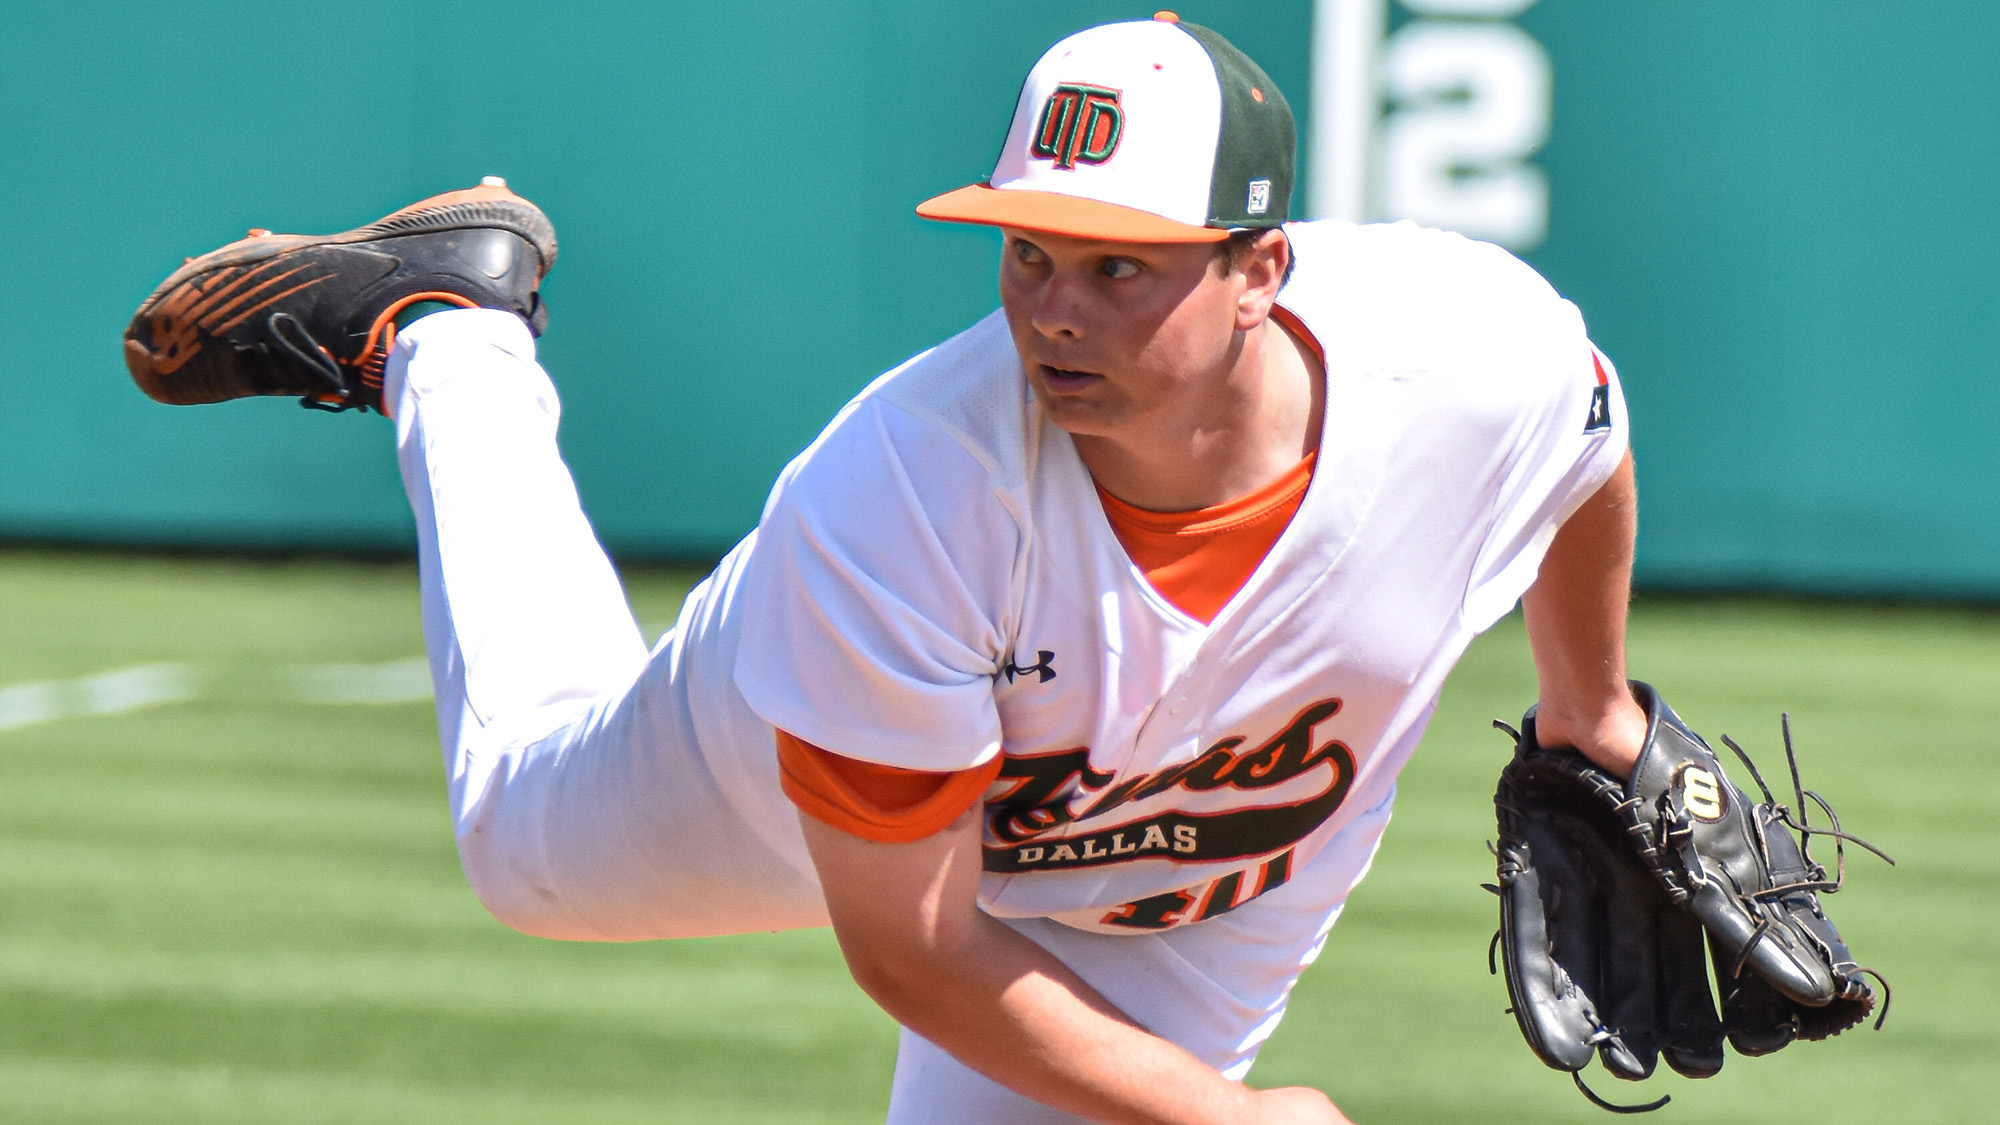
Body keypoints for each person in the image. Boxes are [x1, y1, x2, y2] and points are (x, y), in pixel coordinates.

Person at [123, 14, 1646, 1123]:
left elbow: (1585, 442)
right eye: (1030, 252)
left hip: (1187, 889)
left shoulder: (1464, 351)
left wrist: (1594, 713)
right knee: (521, 842)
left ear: (1258, 269)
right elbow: (915, 945)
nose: (1055, 311)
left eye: (1119, 266)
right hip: (832, 801)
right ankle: (449, 331)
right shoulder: (909, 491)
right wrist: (1225, 1117)